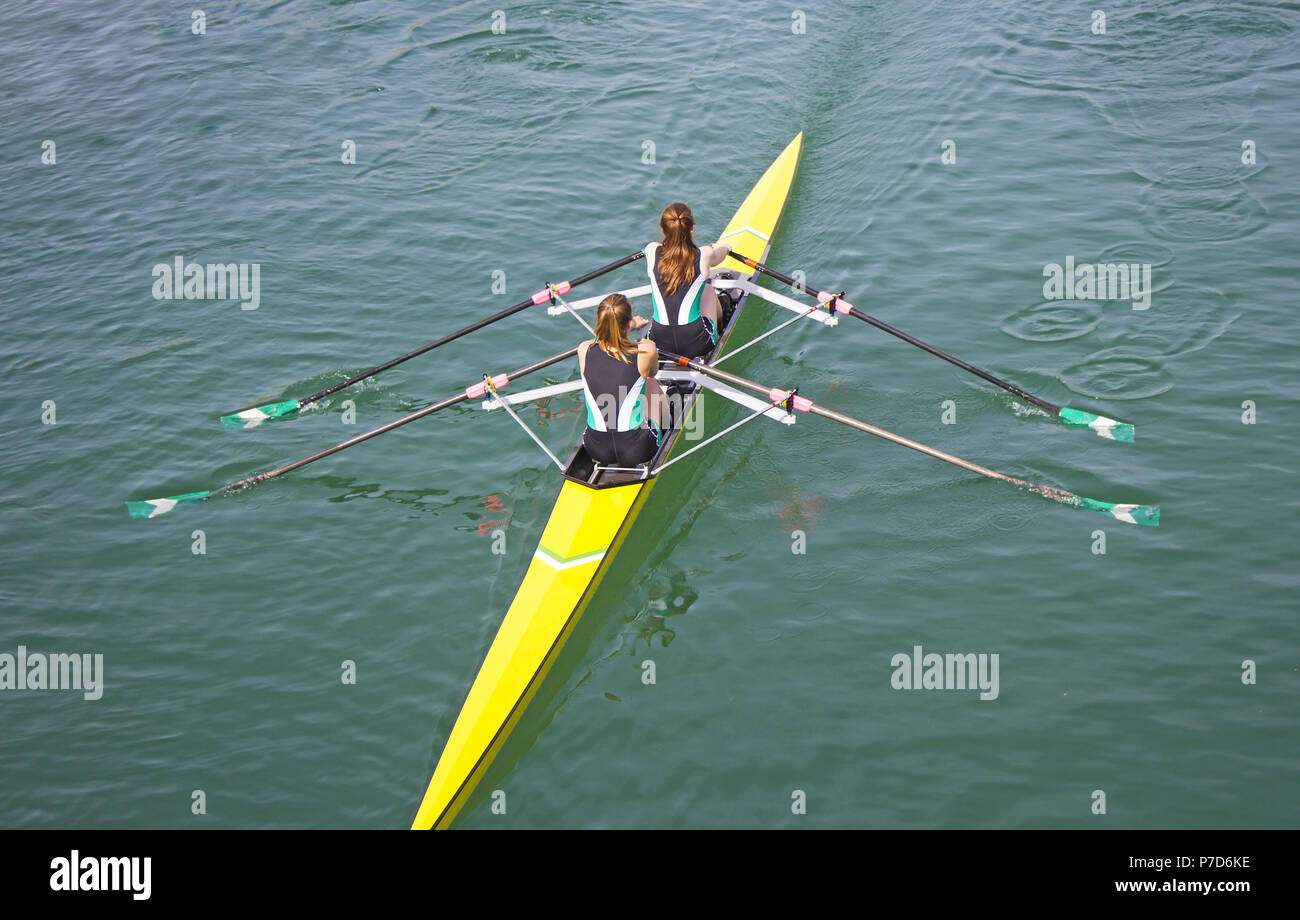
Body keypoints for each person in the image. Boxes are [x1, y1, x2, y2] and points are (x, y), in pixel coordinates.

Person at [579, 293, 664, 466]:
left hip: (595, 449)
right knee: (652, 384)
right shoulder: (645, 350)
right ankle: (668, 429)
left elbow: (603, 337)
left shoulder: (584, 349)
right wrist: (632, 328)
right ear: (627, 323)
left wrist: (626, 326)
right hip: (638, 450)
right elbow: (653, 372)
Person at [644, 202, 733, 358]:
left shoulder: (651, 250)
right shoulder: (704, 254)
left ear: (661, 228)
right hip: (697, 343)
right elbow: (720, 256)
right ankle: (724, 316)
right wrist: (725, 246)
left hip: (658, 343)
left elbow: (662, 247)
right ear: (692, 228)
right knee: (707, 288)